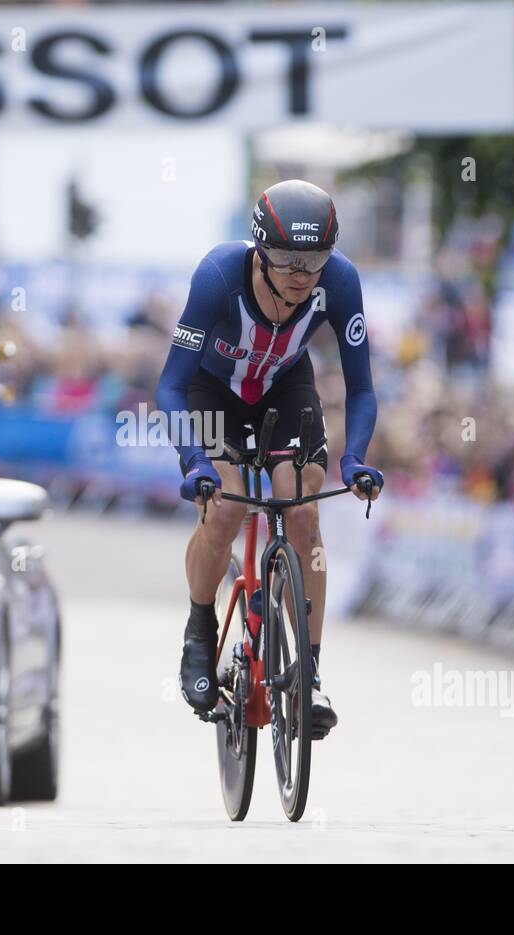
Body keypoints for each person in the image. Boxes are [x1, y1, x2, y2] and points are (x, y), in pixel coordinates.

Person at [154, 179, 383, 737]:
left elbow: (361, 389)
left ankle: (309, 675)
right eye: (285, 260)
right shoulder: (218, 277)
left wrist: (354, 457)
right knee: (225, 511)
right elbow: (170, 386)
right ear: (259, 250)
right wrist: (195, 460)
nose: (301, 274)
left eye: (314, 261)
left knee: (303, 515)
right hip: (214, 393)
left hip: (284, 387)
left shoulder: (341, 282)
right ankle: (200, 627)